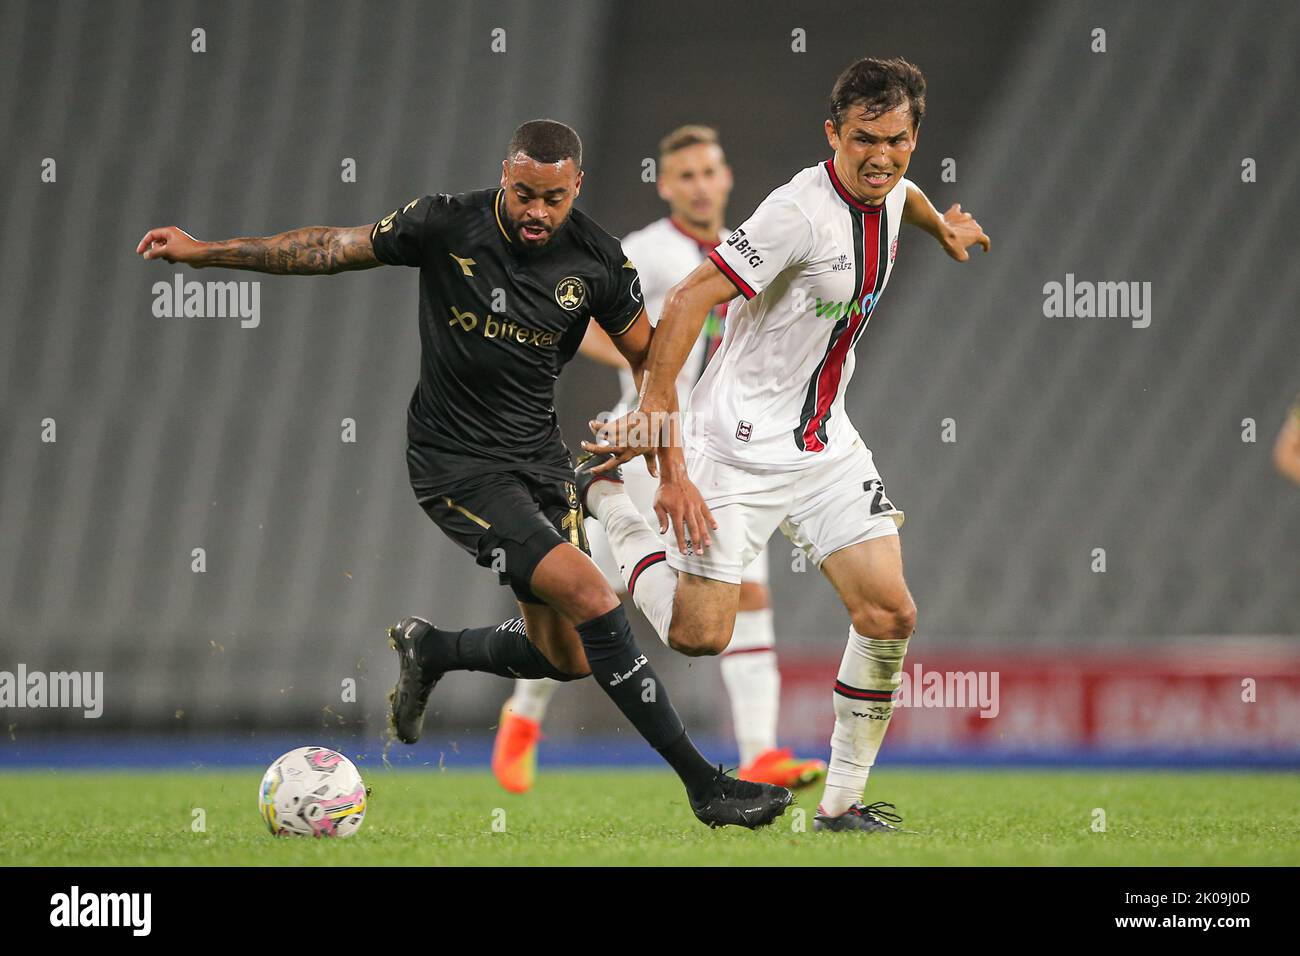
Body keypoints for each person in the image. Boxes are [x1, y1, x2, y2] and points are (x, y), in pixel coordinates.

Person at [135, 119, 792, 830]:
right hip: (455, 465)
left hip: (537, 460)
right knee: (594, 598)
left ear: (577, 187)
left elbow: (652, 362)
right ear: (503, 177)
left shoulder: (598, 261)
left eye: (553, 198)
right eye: (522, 194)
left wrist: (672, 470)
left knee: (566, 656)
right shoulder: (444, 222)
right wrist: (210, 253)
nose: (536, 211)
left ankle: (434, 648)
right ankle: (706, 786)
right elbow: (330, 247)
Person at [582, 58, 990, 833]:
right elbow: (691, 294)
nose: (881, 156)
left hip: (827, 443)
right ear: (832, 133)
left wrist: (947, 232)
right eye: (863, 139)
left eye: (897, 140)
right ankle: (606, 503)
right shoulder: (795, 215)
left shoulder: (896, 188)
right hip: (733, 447)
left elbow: (910, 197)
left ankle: (839, 806)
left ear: (914, 137)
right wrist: (657, 415)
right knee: (700, 637)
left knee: (889, 612)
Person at [492, 125, 826, 794]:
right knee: (597, 595)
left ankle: (760, 752)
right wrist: (648, 361)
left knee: (749, 591)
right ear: (666, 185)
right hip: (649, 444)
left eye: (710, 171)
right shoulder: (643, 252)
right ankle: (523, 716)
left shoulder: (750, 248)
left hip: (729, 448)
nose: (701, 185)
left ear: (725, 178)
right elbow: (575, 318)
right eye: (687, 175)